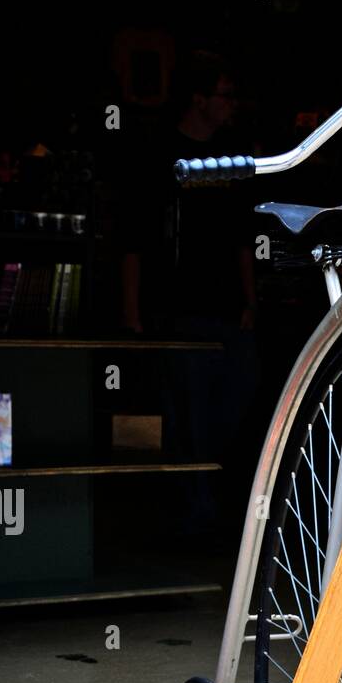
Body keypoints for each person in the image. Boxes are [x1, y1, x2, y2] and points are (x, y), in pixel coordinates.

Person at [119, 50, 261, 534]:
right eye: (224, 94)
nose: (231, 104)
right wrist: (132, 310)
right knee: (188, 410)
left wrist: (249, 299)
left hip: (225, 306)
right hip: (176, 304)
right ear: (198, 98)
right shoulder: (162, 155)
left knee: (239, 393)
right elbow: (135, 238)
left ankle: (206, 497)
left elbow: (244, 236)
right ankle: (196, 508)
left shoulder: (232, 156)